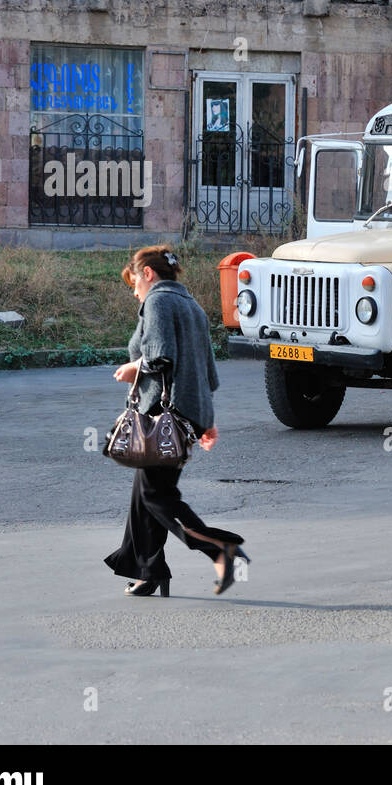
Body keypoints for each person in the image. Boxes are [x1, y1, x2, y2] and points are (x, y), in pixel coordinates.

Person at [103, 246, 249, 597]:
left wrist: (130, 370)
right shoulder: (193, 306)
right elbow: (209, 371)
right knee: (145, 494)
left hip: (165, 415)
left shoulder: (157, 301)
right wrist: (206, 420)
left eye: (134, 283)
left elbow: (158, 356)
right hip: (190, 412)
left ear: (148, 274)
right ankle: (147, 569)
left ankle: (219, 548)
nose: (134, 291)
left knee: (156, 496)